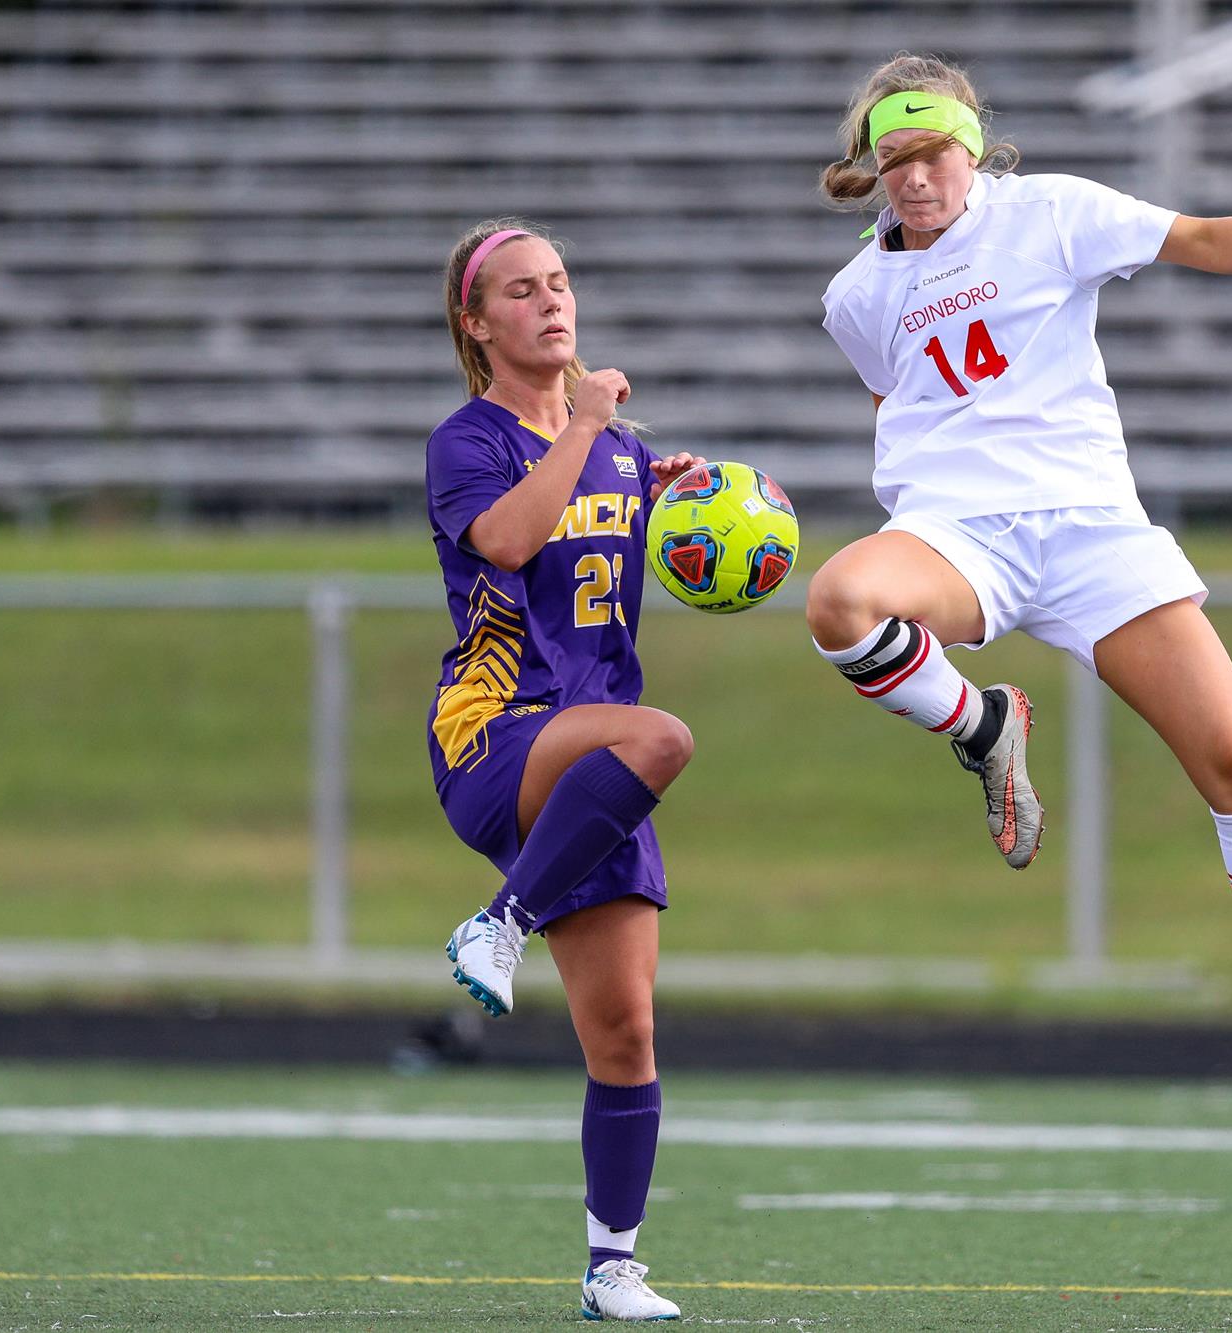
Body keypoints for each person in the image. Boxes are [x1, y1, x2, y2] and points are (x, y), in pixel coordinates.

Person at [808, 54, 1232, 1105]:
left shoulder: (1050, 213)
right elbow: (897, 401)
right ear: (872, 165)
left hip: (1092, 531)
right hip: (959, 533)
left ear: (972, 150)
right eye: (894, 159)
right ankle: (981, 727)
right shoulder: (855, 292)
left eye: (931, 154)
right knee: (838, 600)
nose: (915, 177)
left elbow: (1196, 239)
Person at [428, 217, 699, 1320]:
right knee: (665, 736)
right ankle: (498, 923)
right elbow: (505, 540)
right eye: (522, 290)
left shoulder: (621, 446)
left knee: (624, 1031)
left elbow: (605, 548)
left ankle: (610, 1266)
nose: (552, 301)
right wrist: (586, 426)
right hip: (499, 729)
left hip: (592, 758)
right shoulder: (469, 436)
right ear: (476, 322)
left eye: (560, 282)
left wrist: (677, 502)